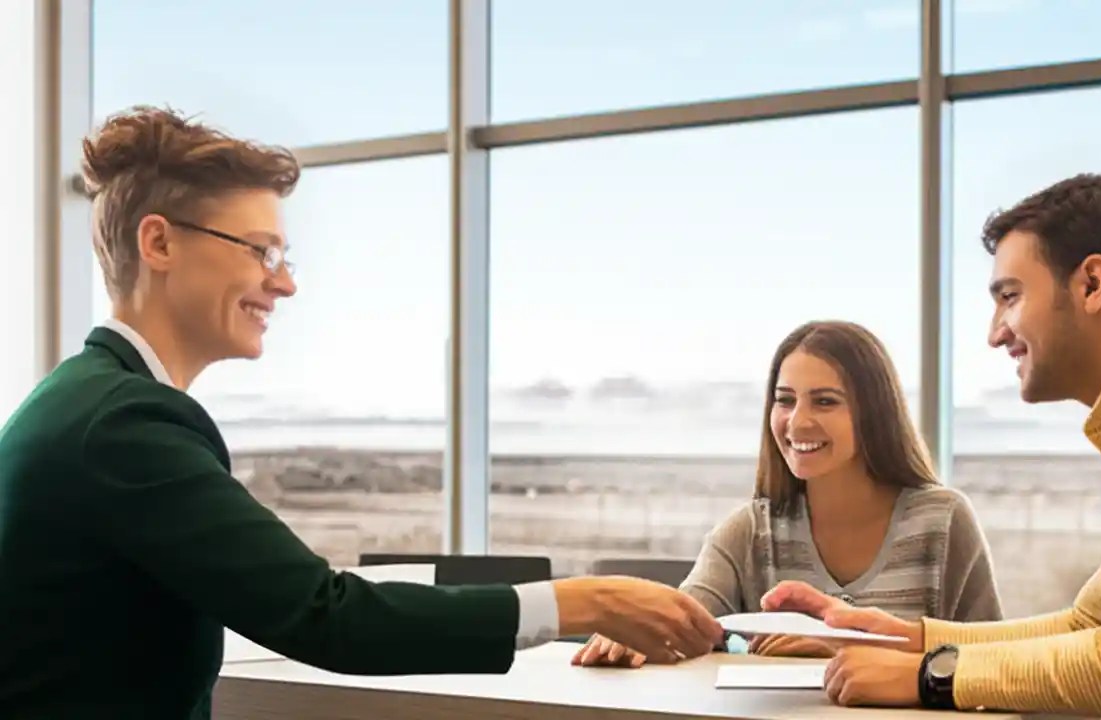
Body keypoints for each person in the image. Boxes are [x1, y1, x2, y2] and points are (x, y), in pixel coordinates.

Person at [0, 106, 722, 719]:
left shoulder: (80, 400)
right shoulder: (122, 425)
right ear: (158, 242)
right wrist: (582, 602)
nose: (284, 284)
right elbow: (327, 616)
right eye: (261, 252)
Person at [764, 174, 1101, 719]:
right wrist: (909, 639)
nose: (995, 332)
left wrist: (928, 676)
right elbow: (1090, 625)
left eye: (1010, 297)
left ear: (1092, 284)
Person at [573, 320, 1002, 669]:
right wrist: (636, 632)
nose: (797, 423)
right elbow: (682, 621)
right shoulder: (750, 531)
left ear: (874, 412)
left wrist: (840, 648)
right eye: (785, 401)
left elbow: (993, 659)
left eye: (825, 402)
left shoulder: (943, 521)